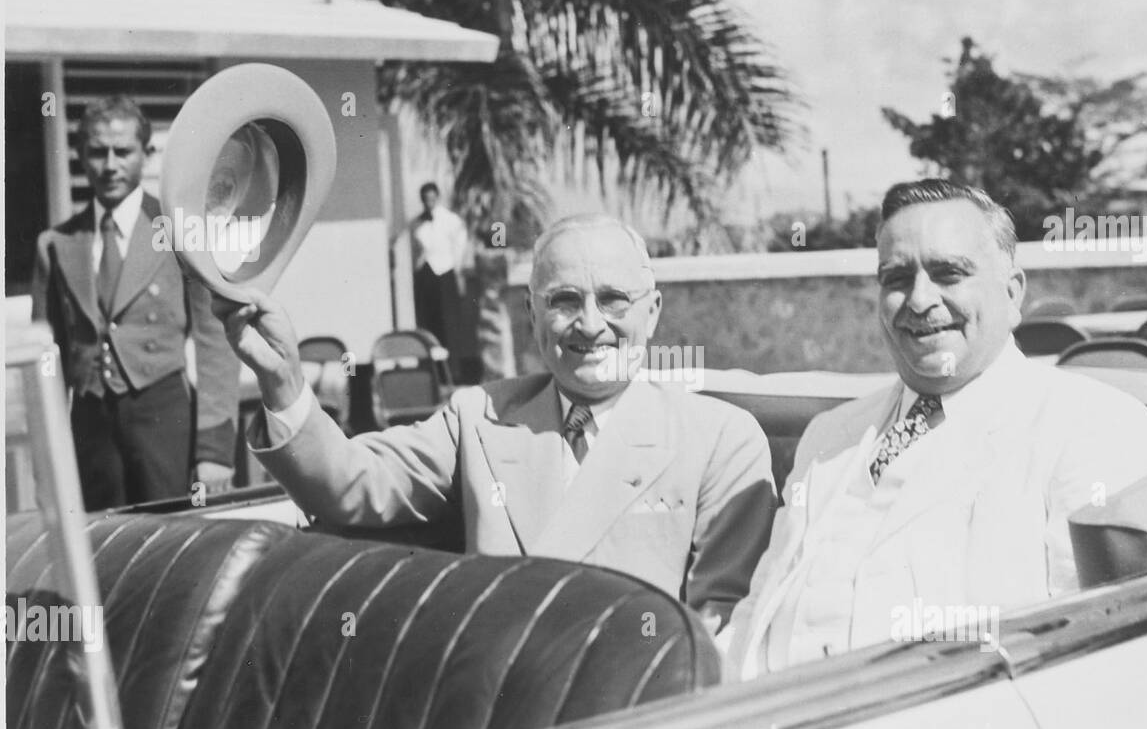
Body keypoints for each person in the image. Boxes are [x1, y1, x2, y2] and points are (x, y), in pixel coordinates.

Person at [217, 213, 777, 630]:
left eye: (612, 300)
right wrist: (284, 379)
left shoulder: (719, 440)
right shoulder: (480, 417)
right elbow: (348, 484)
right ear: (532, 315)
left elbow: (718, 628)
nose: (589, 324)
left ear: (652, 313)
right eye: (564, 300)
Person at [722, 179, 1147, 678]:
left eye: (948, 273)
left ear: (1012, 291)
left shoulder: (1093, 428)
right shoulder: (829, 436)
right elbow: (759, 610)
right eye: (896, 278)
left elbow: (1105, 650)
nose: (919, 300)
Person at [31, 96, 239, 510]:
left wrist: (214, 450)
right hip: (91, 427)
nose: (109, 165)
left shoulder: (179, 230)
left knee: (170, 545)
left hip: (163, 416)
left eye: (122, 151)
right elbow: (46, 361)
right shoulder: (57, 245)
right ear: (79, 154)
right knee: (104, 548)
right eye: (97, 151)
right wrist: (48, 454)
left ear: (145, 155)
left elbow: (216, 338)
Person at [401, 182, 475, 380]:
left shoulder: (451, 220)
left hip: (445, 274)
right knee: (428, 324)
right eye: (425, 199)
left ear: (437, 198)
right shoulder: (417, 223)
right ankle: (433, 373)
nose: (429, 203)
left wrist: (456, 272)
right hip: (426, 276)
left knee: (449, 324)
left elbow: (460, 247)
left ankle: (454, 372)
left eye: (432, 199)